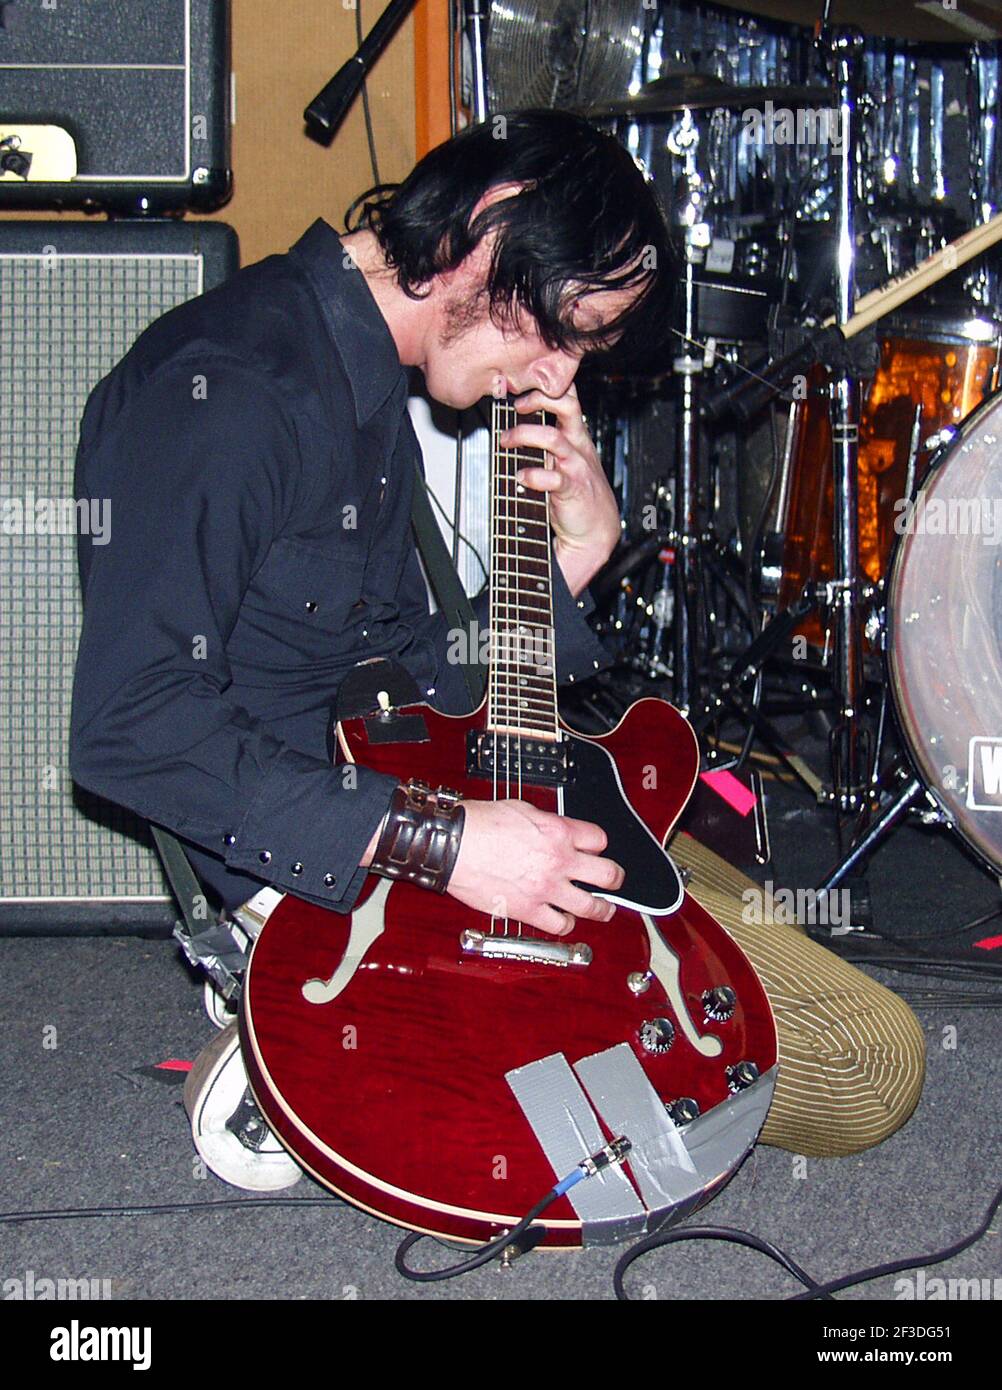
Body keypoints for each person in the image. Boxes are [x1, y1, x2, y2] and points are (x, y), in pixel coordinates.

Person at [69, 110, 924, 1181]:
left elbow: (415, 690)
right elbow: (129, 729)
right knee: (862, 1066)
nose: (558, 375)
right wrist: (449, 842)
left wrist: (578, 557)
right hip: (356, 863)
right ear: (488, 232)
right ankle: (341, 1025)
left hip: (441, 806)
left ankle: (440, 1065)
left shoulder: (368, 382)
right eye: (565, 328)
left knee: (836, 1019)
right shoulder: (231, 389)